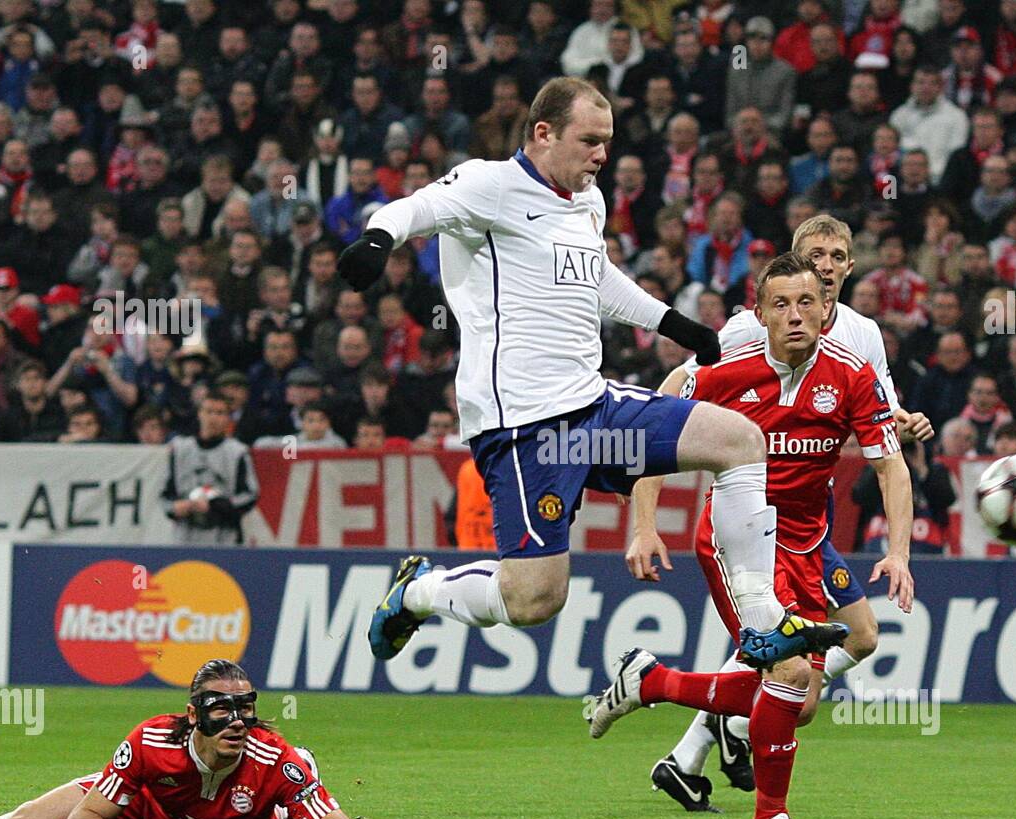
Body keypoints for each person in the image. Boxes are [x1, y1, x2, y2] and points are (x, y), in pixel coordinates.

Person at [338, 77, 846, 668]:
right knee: (534, 598)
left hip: (597, 412)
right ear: (543, 133)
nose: (602, 155)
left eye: (607, 141)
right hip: (527, 427)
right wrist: (378, 239)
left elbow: (596, 277)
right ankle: (420, 592)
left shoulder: (589, 199)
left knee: (739, 440)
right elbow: (417, 206)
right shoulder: (491, 185)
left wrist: (678, 327)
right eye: (591, 140)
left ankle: (761, 619)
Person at [589, 252, 913, 819]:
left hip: (808, 546)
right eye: (782, 305)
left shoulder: (852, 376)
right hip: (738, 543)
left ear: (826, 310)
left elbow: (890, 465)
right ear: (759, 314)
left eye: (807, 302)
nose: (796, 315)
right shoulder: (721, 372)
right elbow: (648, 435)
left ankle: (651, 682)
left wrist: (898, 551)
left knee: (801, 700)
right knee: (787, 672)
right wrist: (643, 525)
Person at [0, 659, 360, 819]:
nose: (235, 723)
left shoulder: (273, 757)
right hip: (150, 807)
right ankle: (117, 784)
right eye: (220, 710)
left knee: (279, 790)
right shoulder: (152, 742)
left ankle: (288, 796)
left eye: (244, 710)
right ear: (193, 714)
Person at [160, 391, 259, 545]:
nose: (213, 418)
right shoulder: (180, 449)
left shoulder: (237, 452)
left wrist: (215, 506)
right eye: (208, 412)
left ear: (228, 419)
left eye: (220, 413)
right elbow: (165, 494)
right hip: (185, 536)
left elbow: (249, 495)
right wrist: (175, 507)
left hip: (224, 537)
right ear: (199, 414)